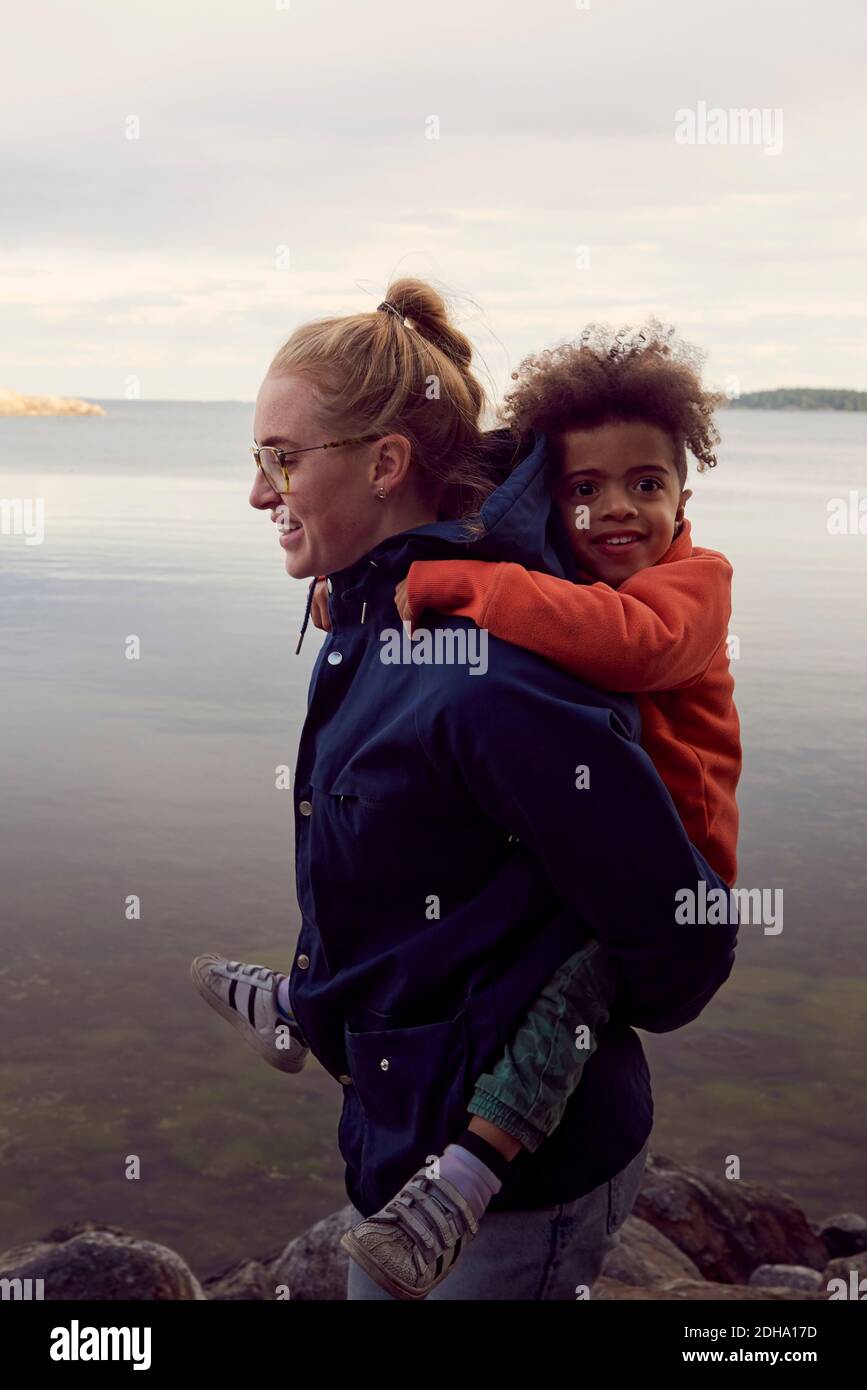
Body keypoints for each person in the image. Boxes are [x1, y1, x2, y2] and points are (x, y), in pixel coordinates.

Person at [191, 279, 738, 1300]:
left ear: (387, 463)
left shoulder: (487, 675)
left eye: (282, 458)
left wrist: (537, 1014)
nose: (262, 493)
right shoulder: (371, 614)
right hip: (397, 1142)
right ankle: (308, 1011)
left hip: (518, 1192)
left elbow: (687, 936)